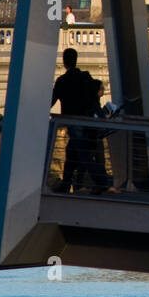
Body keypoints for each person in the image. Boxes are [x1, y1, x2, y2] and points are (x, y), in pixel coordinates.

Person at [50, 48, 112, 194]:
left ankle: (102, 182)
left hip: (73, 122)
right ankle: (66, 184)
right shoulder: (86, 78)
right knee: (73, 152)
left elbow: (50, 101)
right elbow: (94, 99)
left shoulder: (62, 81)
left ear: (64, 62)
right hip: (87, 122)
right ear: (76, 60)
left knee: (82, 155)